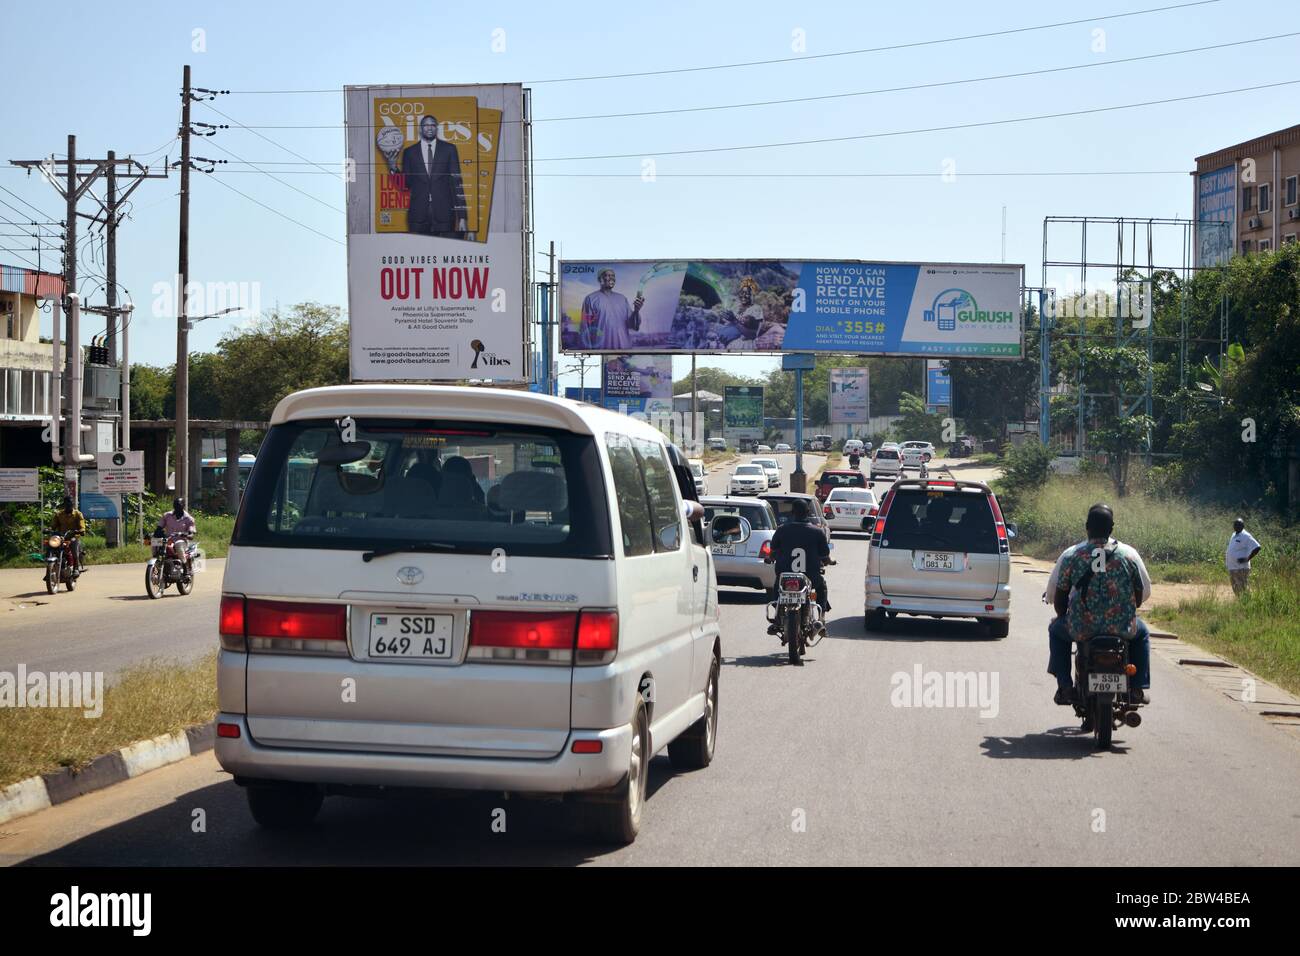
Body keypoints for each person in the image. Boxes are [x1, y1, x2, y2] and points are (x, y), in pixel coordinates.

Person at [1045, 503, 1152, 706]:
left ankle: (1065, 686)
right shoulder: (1128, 556)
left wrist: (1064, 614)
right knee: (1143, 633)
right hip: (1121, 629)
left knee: (1055, 629)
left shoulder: (1071, 556)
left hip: (1081, 629)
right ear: (1112, 529)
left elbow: (1060, 603)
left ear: (1087, 526)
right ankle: (1138, 687)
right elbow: (1138, 598)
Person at [766, 497, 831, 635]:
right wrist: (827, 561)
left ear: (793, 512)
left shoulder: (782, 530)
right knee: (821, 586)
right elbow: (825, 555)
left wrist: (771, 558)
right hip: (810, 577)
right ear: (808, 512)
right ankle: (821, 618)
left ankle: (778, 616)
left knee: (777, 590)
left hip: (785, 576)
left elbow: (773, 551)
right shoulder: (817, 532)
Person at [400, 115, 467, 238]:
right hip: (418, 215)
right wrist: (393, 169)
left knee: (447, 250)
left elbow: (457, 184)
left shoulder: (449, 149)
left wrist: (462, 217)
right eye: (426, 125)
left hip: (445, 214)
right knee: (420, 253)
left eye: (432, 125)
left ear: (436, 128)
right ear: (420, 129)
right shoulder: (409, 152)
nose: (429, 128)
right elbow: (406, 184)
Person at [580, 268, 644, 350]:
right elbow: (585, 327)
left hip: (623, 347)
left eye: (613, 276)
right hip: (601, 348)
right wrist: (589, 353)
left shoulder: (622, 298)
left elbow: (632, 324)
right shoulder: (591, 299)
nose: (611, 278)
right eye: (608, 275)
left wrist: (636, 311)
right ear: (600, 279)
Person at [50, 495, 88, 571]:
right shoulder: (59, 514)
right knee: (51, 546)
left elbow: (82, 524)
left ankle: (76, 569)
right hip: (61, 537)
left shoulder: (78, 514)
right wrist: (49, 529)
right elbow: (53, 526)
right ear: (64, 505)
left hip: (73, 536)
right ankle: (50, 568)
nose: (68, 505)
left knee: (74, 550)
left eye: (70, 503)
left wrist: (81, 530)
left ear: (72, 504)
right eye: (66, 504)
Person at [1225, 518, 1261, 596]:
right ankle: (1240, 604)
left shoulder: (1246, 535)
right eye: (1235, 525)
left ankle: (1248, 603)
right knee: (1235, 588)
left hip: (1241, 568)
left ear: (1243, 526)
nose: (1236, 526)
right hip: (1232, 567)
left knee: (1243, 587)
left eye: (1238, 525)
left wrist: (1247, 558)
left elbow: (1257, 547)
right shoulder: (1234, 534)